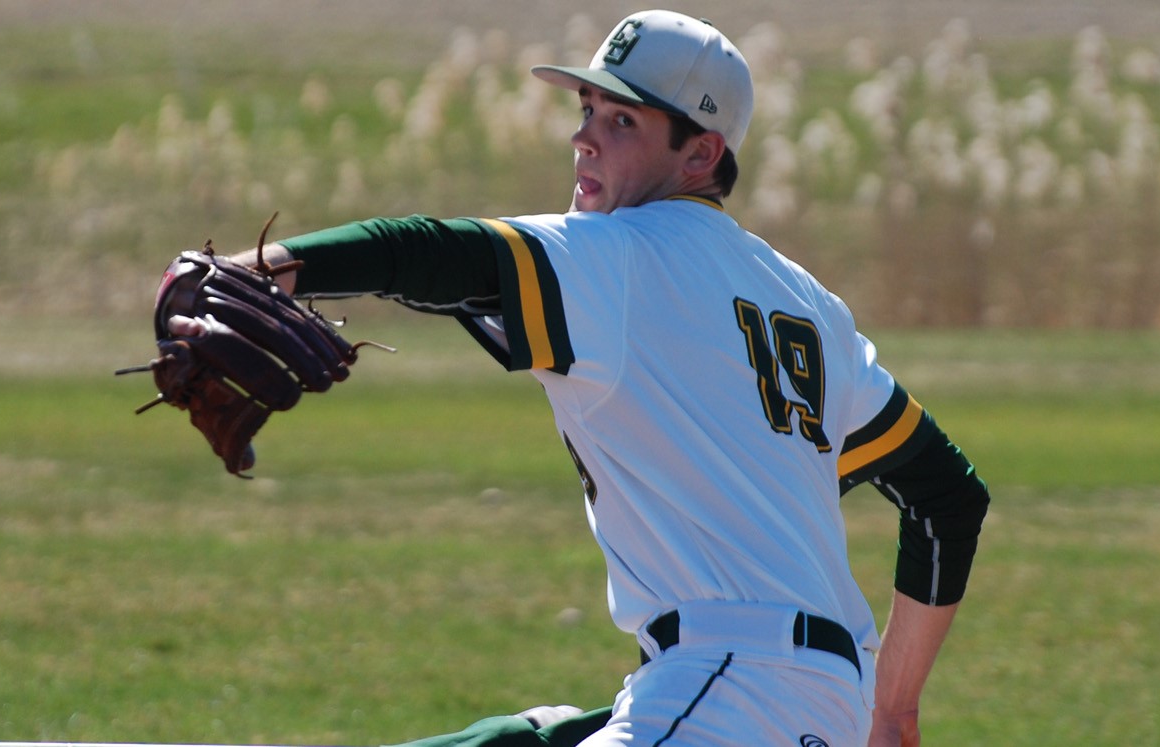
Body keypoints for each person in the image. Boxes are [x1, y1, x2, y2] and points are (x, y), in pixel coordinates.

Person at [235, 10, 990, 746]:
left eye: (622, 120)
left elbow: (430, 252)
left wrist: (253, 272)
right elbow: (945, 495)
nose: (584, 137)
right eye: (587, 108)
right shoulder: (809, 304)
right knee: (528, 736)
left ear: (700, 153)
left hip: (734, 687)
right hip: (809, 693)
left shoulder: (621, 254)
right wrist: (892, 711)